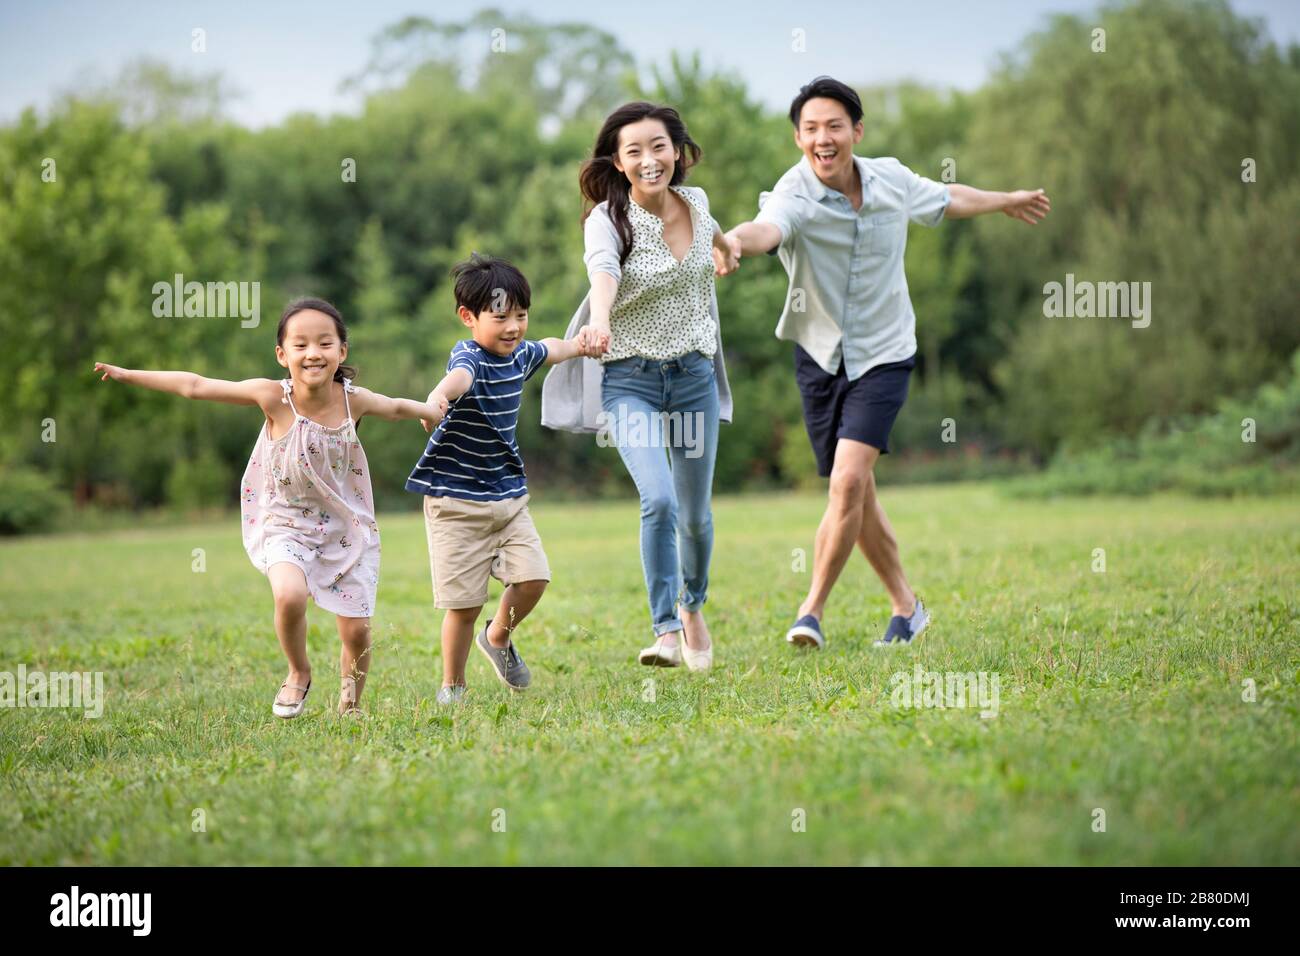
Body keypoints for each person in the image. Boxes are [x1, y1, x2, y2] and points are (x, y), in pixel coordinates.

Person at [721, 76, 1051, 649]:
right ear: (798, 138)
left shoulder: (891, 179)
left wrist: (1004, 201)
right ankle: (907, 607)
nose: (823, 139)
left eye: (834, 126)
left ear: (856, 131)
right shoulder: (793, 191)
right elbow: (764, 229)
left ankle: (811, 611)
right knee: (858, 491)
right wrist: (729, 242)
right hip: (820, 355)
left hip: (885, 352)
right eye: (810, 129)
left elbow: (947, 199)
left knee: (847, 482)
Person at [94, 297, 446, 718]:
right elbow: (195, 385)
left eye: (324, 343)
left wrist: (431, 412)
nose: (313, 353)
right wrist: (128, 374)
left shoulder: (355, 401)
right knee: (289, 596)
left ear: (342, 351)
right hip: (285, 524)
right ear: (282, 355)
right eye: (300, 345)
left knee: (356, 631)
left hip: (344, 528)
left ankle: (350, 706)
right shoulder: (273, 398)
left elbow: (398, 407)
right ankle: (298, 672)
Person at [543, 101, 739, 671]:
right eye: (635, 151)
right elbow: (602, 272)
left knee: (696, 515)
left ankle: (694, 603)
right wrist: (599, 321)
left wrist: (727, 252)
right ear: (619, 161)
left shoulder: (697, 203)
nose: (650, 160)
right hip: (631, 381)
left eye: (659, 147)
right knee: (658, 499)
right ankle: (666, 629)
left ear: (677, 151)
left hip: (694, 378)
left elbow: (717, 234)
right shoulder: (608, 219)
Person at [409, 254, 603, 704]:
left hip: (508, 497)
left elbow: (551, 347)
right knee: (464, 606)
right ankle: (452, 685)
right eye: (501, 317)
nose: (514, 326)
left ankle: (497, 637)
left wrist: (580, 345)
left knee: (534, 579)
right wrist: (438, 395)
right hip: (455, 502)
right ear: (468, 318)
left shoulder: (520, 355)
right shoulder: (469, 355)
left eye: (521, 315)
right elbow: (458, 378)